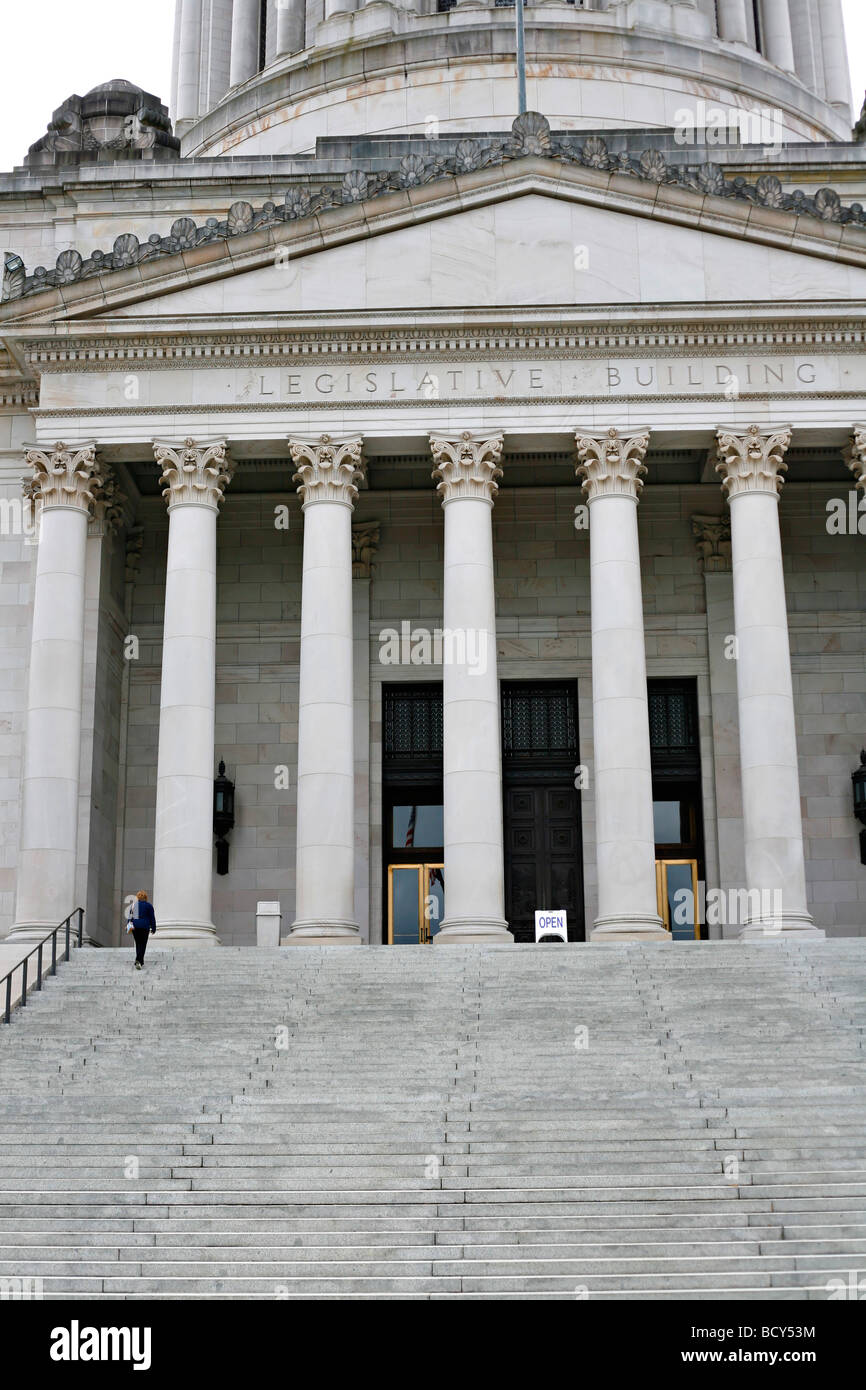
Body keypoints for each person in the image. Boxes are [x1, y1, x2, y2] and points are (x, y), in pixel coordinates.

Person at [129, 890, 156, 969]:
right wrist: (153, 928)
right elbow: (152, 918)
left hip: (135, 926)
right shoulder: (149, 906)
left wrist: (128, 924)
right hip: (144, 927)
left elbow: (130, 917)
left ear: (138, 897)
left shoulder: (134, 905)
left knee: (138, 943)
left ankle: (140, 960)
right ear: (145, 897)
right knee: (143, 944)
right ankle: (139, 960)